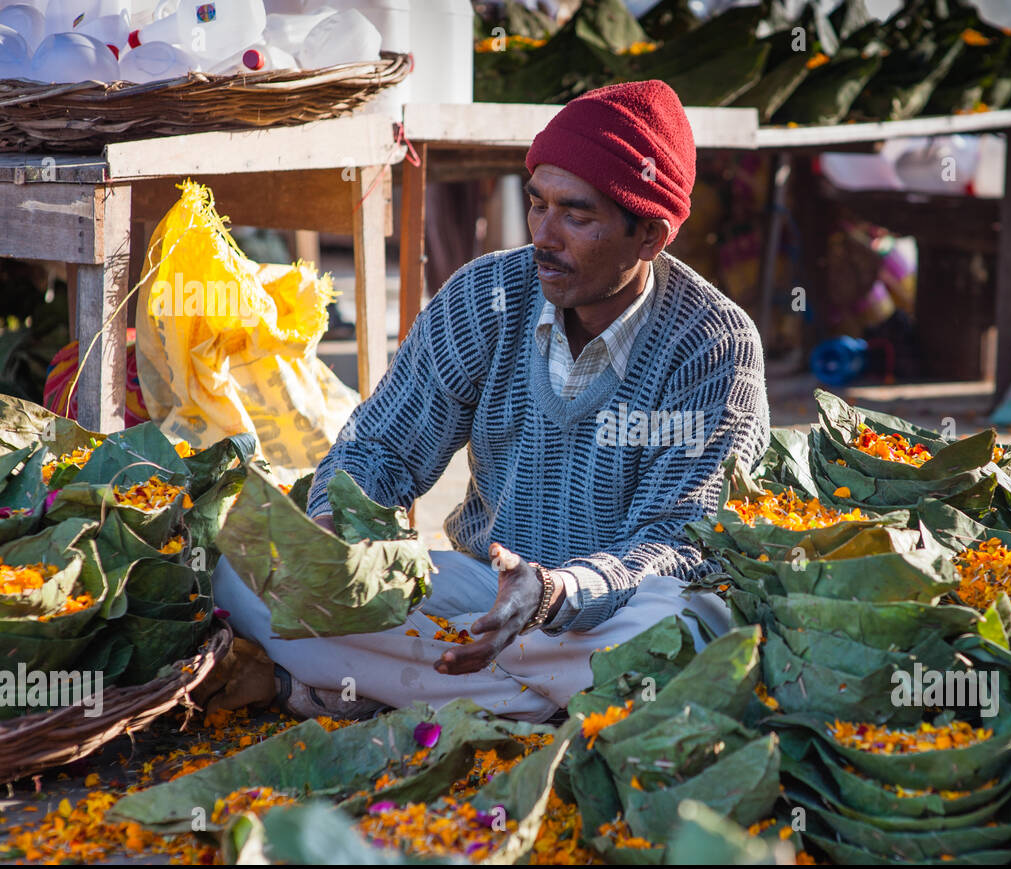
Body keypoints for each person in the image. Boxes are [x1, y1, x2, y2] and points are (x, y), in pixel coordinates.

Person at [212, 79, 770, 721]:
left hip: (612, 608)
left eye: (577, 215)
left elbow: (679, 539)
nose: (544, 235)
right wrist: (341, 531)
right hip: (481, 597)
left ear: (649, 236)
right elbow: (383, 446)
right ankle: (552, 702)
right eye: (537, 205)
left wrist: (555, 594)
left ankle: (402, 687)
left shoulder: (711, 345)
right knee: (243, 568)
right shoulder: (487, 296)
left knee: (694, 624)